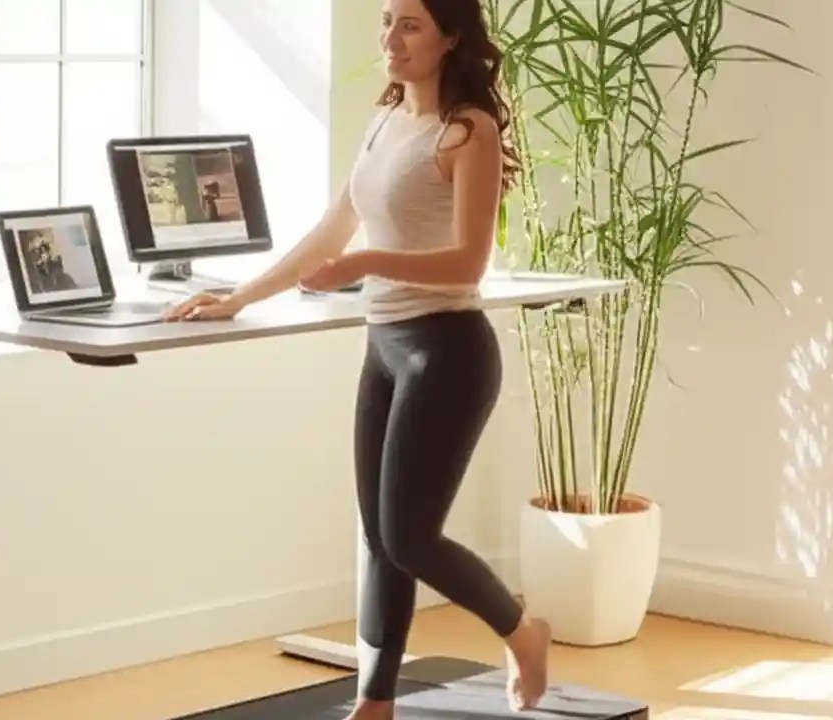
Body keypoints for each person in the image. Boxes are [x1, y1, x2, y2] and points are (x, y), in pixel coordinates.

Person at [165, 0, 551, 716]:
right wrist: (239, 297)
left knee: (410, 538)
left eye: (410, 25)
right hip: (385, 346)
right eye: (386, 20)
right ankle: (375, 702)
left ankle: (522, 630)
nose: (390, 38)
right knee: (378, 537)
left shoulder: (469, 130)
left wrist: (366, 262)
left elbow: (468, 262)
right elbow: (332, 228)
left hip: (448, 352)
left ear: (451, 37)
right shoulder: (386, 120)